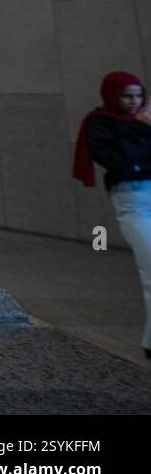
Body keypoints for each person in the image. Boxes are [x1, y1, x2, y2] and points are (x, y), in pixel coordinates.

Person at [73, 71, 151, 360]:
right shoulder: (100, 123)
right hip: (133, 202)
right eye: (127, 96)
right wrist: (142, 129)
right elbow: (120, 161)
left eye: (138, 96)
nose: (133, 102)